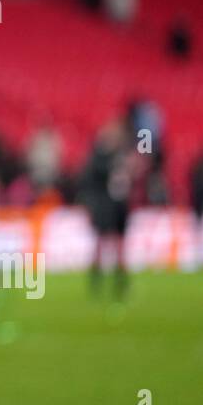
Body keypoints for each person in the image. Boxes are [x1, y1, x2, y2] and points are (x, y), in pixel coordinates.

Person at [81, 120, 133, 300]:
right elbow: (91, 181)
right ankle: (97, 278)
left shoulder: (122, 155)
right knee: (101, 241)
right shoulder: (99, 157)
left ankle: (120, 280)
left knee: (119, 242)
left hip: (119, 204)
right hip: (104, 205)